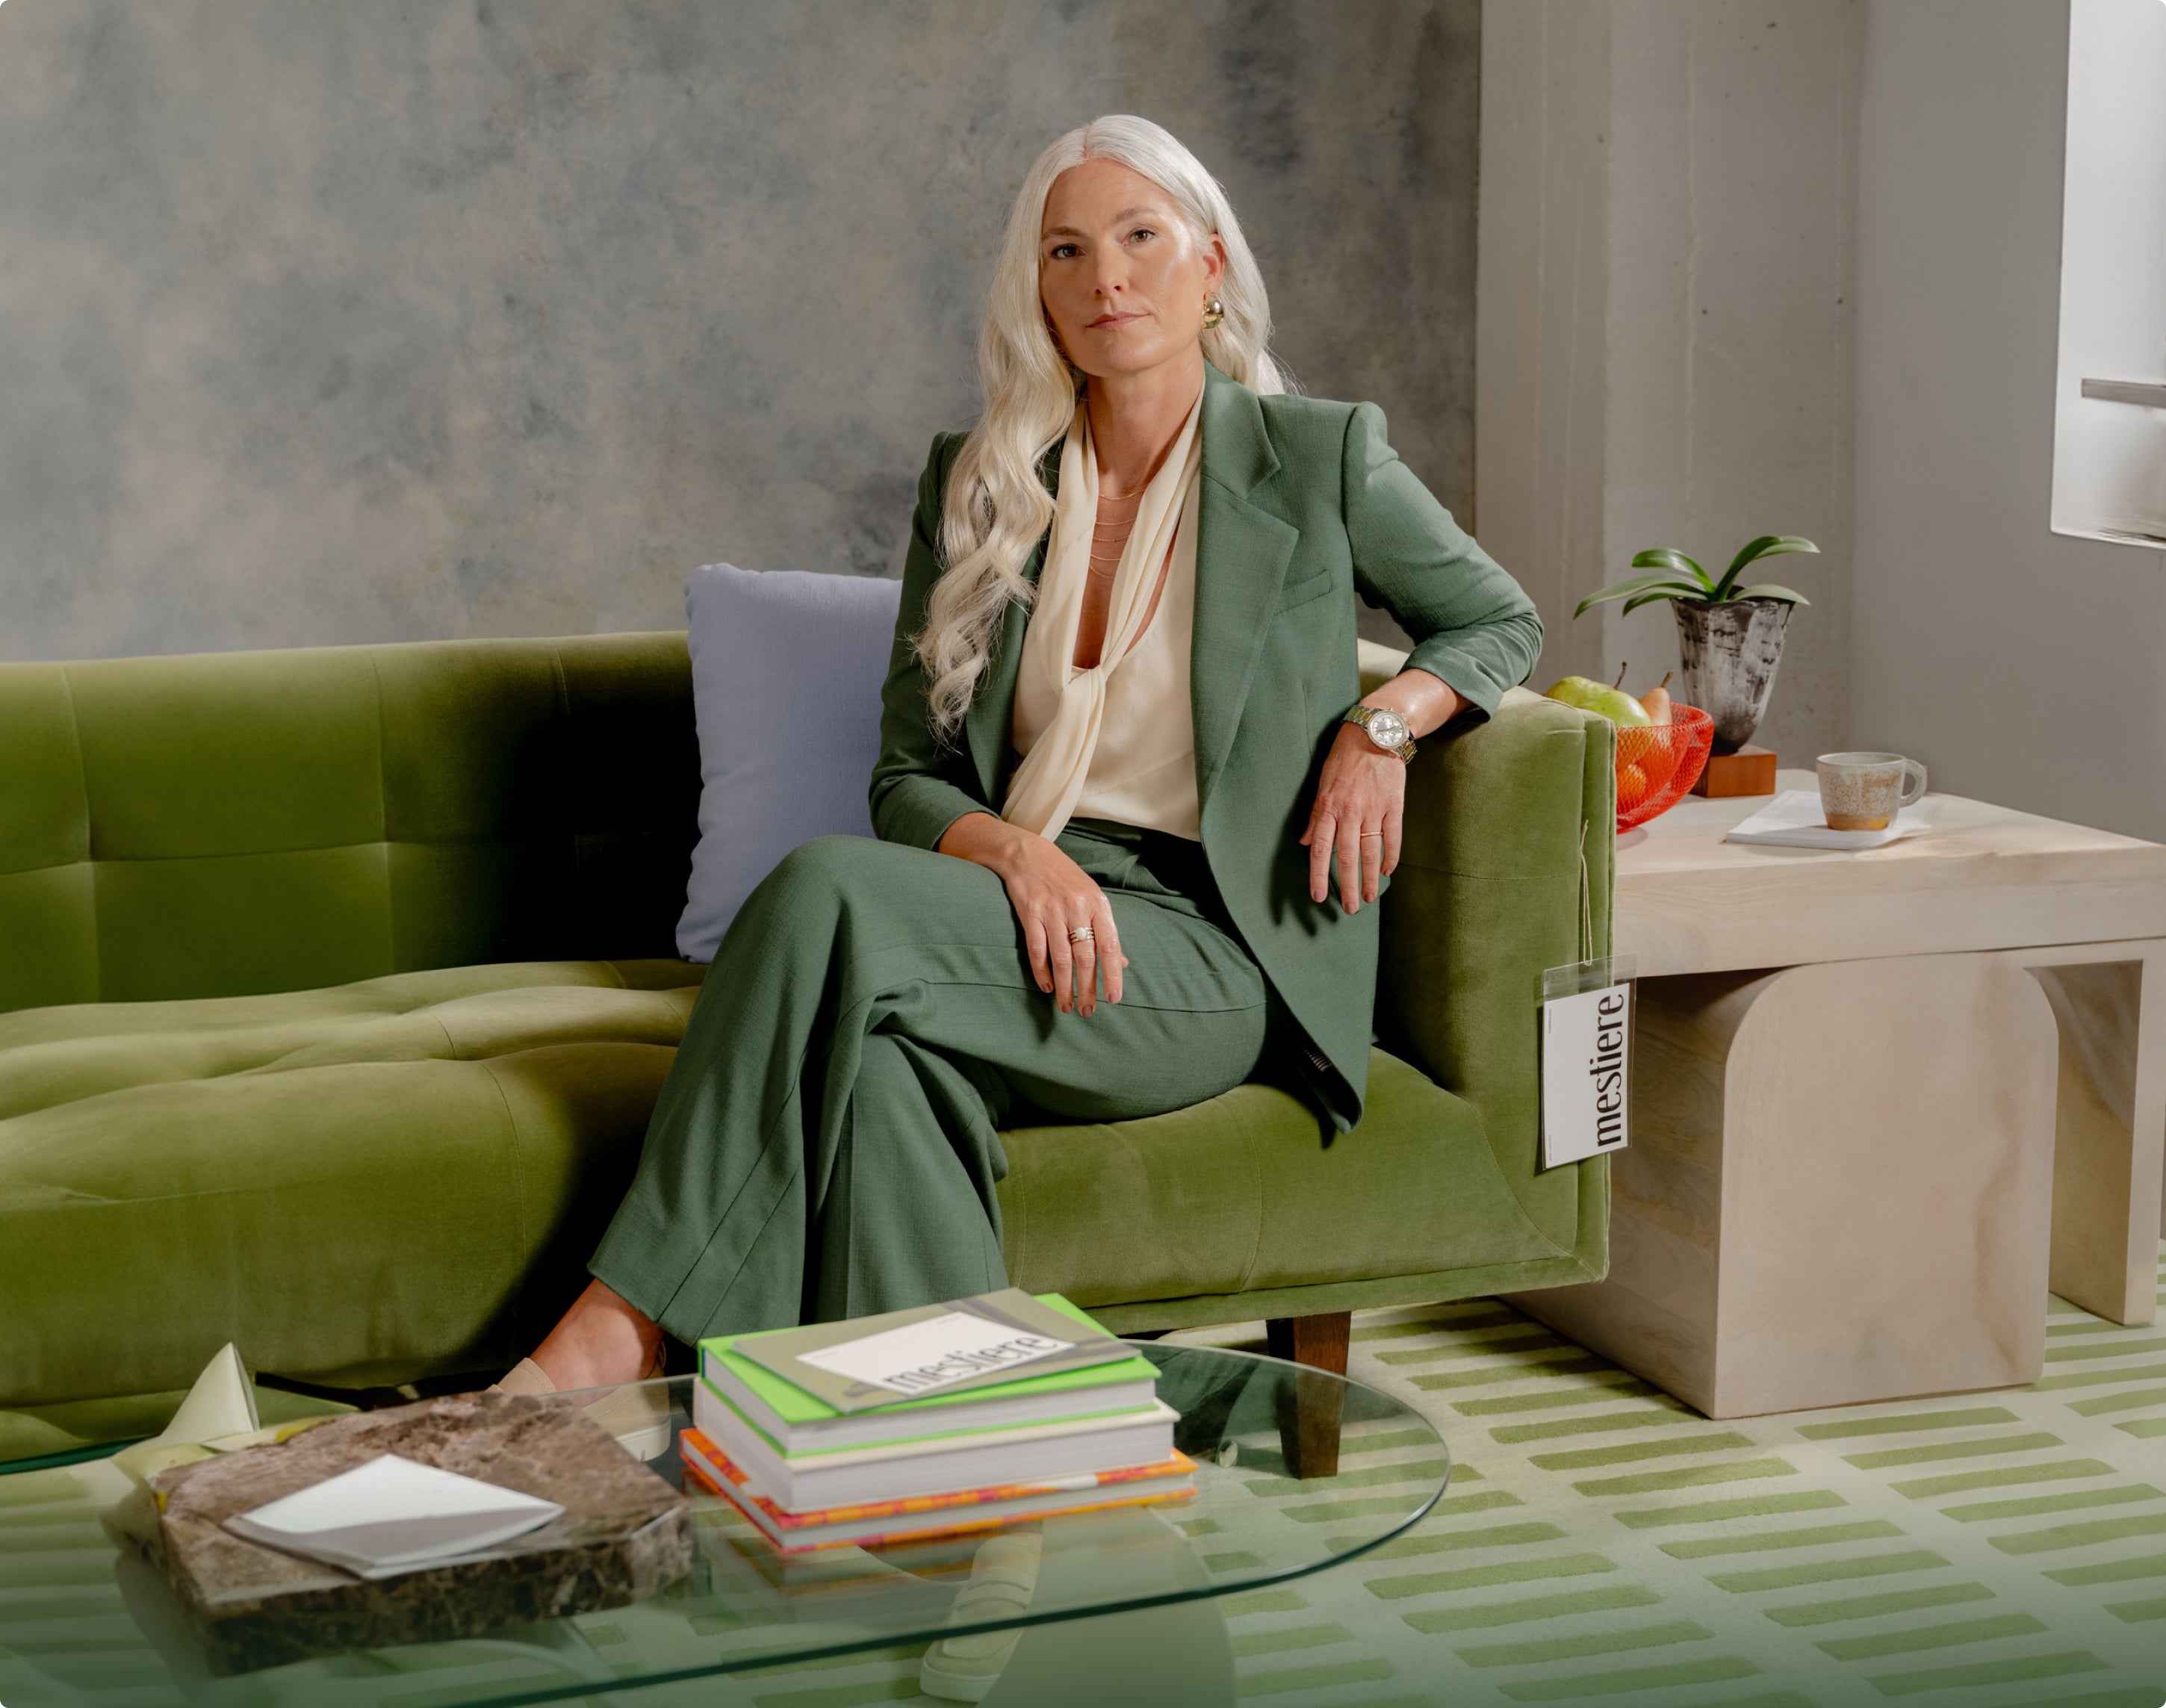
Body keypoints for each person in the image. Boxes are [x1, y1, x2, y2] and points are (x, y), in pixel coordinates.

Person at [497, 114, 1541, 1394]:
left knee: (823, 887)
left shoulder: (1316, 458)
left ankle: (619, 1335)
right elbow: (906, 778)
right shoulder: (983, 483)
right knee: (879, 1077)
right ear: (1037, 292)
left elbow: (1497, 617)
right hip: (1022, 911)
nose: (1107, 277)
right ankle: (953, 1486)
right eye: (1067, 250)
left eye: (1141, 239)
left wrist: (1387, 729)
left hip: (1214, 948)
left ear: (1210, 266)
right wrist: (1016, 860)